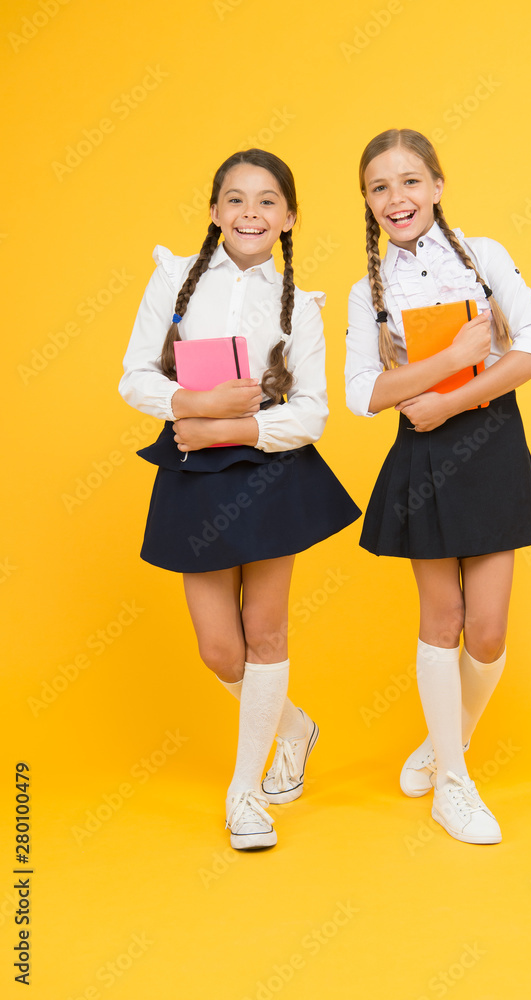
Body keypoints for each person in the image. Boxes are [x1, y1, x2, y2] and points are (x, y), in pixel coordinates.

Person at [119, 149, 360, 851]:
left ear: (289, 218)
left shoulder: (300, 305)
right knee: (221, 650)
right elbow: (134, 376)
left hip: (271, 470)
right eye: (235, 198)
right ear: (214, 210)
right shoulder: (174, 279)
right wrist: (195, 405)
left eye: (266, 201)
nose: (250, 213)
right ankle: (295, 728)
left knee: (266, 632)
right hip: (193, 472)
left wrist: (225, 426)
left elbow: (312, 413)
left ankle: (246, 793)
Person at [345, 129, 531, 845]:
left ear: (437, 186)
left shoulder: (485, 255)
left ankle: (445, 744)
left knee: (488, 632)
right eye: (379, 187)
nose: (396, 198)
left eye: (410, 181)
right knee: (442, 619)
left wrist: (453, 396)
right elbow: (362, 393)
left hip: (492, 441)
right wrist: (449, 364)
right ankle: (454, 787)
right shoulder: (367, 291)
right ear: (368, 201)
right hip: (424, 454)